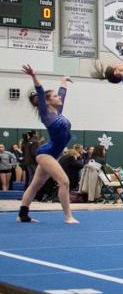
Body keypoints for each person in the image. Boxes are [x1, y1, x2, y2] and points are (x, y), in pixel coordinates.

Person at [16, 66, 77, 224]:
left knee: (36, 184)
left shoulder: (57, 113)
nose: (59, 98)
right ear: (47, 101)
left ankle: (23, 214)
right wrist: (34, 76)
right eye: (55, 97)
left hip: (51, 154)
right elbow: (40, 91)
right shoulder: (46, 114)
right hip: (46, 153)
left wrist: (63, 82)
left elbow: (63, 94)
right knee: (64, 182)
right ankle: (68, 216)